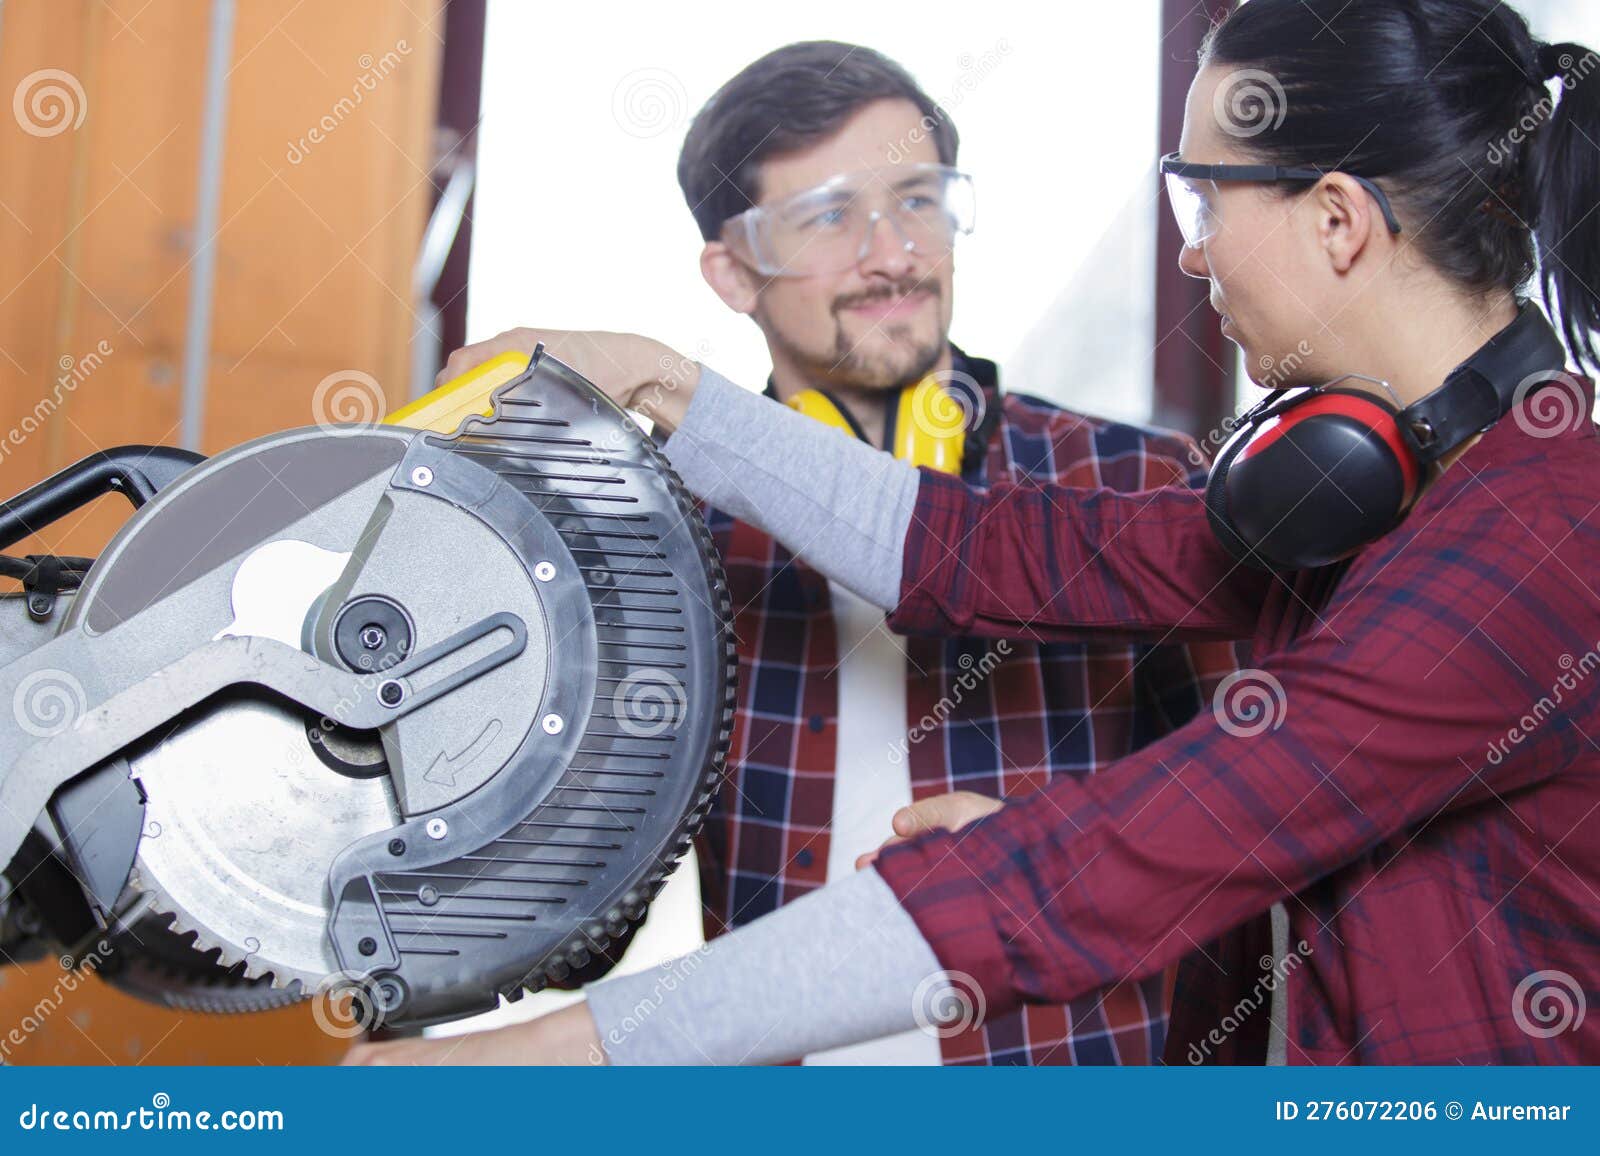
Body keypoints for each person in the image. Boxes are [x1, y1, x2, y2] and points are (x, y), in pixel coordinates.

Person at [348, 0, 1600, 1066]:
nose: (1200, 256)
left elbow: (1160, 847)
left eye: (1201, 205)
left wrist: (532, 1065)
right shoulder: (1373, 479)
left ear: (1335, 219)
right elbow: (988, 550)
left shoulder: (1540, 540)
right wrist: (667, 386)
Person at [546, 41, 1237, 1066]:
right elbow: (573, 936)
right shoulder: (659, 539)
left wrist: (1080, 858)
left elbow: (1267, 834)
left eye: (918, 200)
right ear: (732, 271)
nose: (894, 252)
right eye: (830, 214)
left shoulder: (1135, 484)